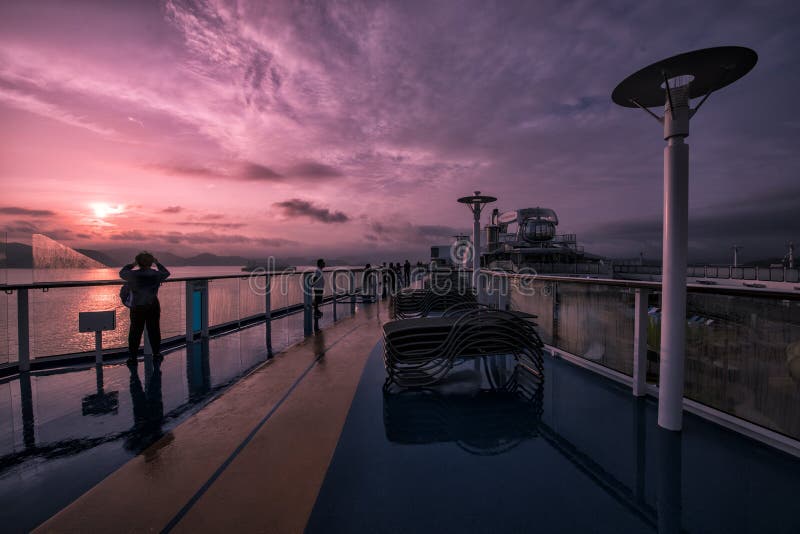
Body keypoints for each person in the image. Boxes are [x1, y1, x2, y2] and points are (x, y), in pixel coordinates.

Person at [120, 251, 170, 365]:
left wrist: (132, 264)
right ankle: (156, 354)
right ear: (151, 262)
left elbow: (122, 272)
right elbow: (166, 273)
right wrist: (157, 263)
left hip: (137, 306)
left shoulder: (132, 274)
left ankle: (133, 358)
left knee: (135, 332)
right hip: (152, 304)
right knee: (154, 330)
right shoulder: (156, 274)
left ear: (138, 262)